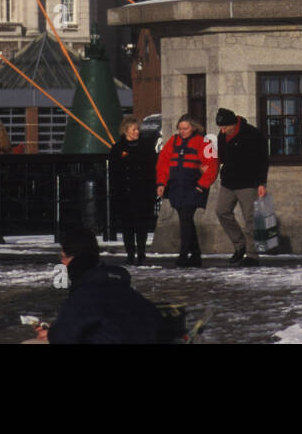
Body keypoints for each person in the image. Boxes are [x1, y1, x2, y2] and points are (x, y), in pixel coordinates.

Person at [31, 227, 164, 343]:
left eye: (63, 257)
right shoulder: (122, 288)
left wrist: (52, 333)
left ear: (73, 259)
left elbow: (64, 337)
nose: (62, 264)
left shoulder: (84, 293)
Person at [155, 114, 217, 267]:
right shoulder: (173, 141)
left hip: (193, 187)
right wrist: (161, 183)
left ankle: (184, 255)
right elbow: (163, 162)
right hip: (177, 186)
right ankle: (195, 255)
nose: (182, 131)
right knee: (186, 219)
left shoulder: (204, 142)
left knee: (186, 218)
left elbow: (212, 165)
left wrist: (201, 186)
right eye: (180, 128)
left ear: (194, 127)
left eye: (186, 128)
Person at [213, 108, 270, 266]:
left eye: (224, 127)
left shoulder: (252, 134)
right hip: (228, 182)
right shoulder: (222, 135)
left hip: (248, 183)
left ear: (233, 123)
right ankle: (240, 245)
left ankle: (252, 255)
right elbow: (221, 156)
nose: (222, 130)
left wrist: (261, 183)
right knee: (222, 211)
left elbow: (263, 160)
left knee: (250, 219)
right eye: (220, 128)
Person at [109, 115, 158, 264]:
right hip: (125, 193)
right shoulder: (117, 149)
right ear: (125, 131)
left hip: (142, 192)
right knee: (127, 226)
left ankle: (141, 253)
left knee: (141, 225)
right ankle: (130, 254)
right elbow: (114, 172)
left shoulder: (146, 147)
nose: (137, 132)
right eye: (134, 129)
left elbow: (152, 170)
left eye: (137, 129)